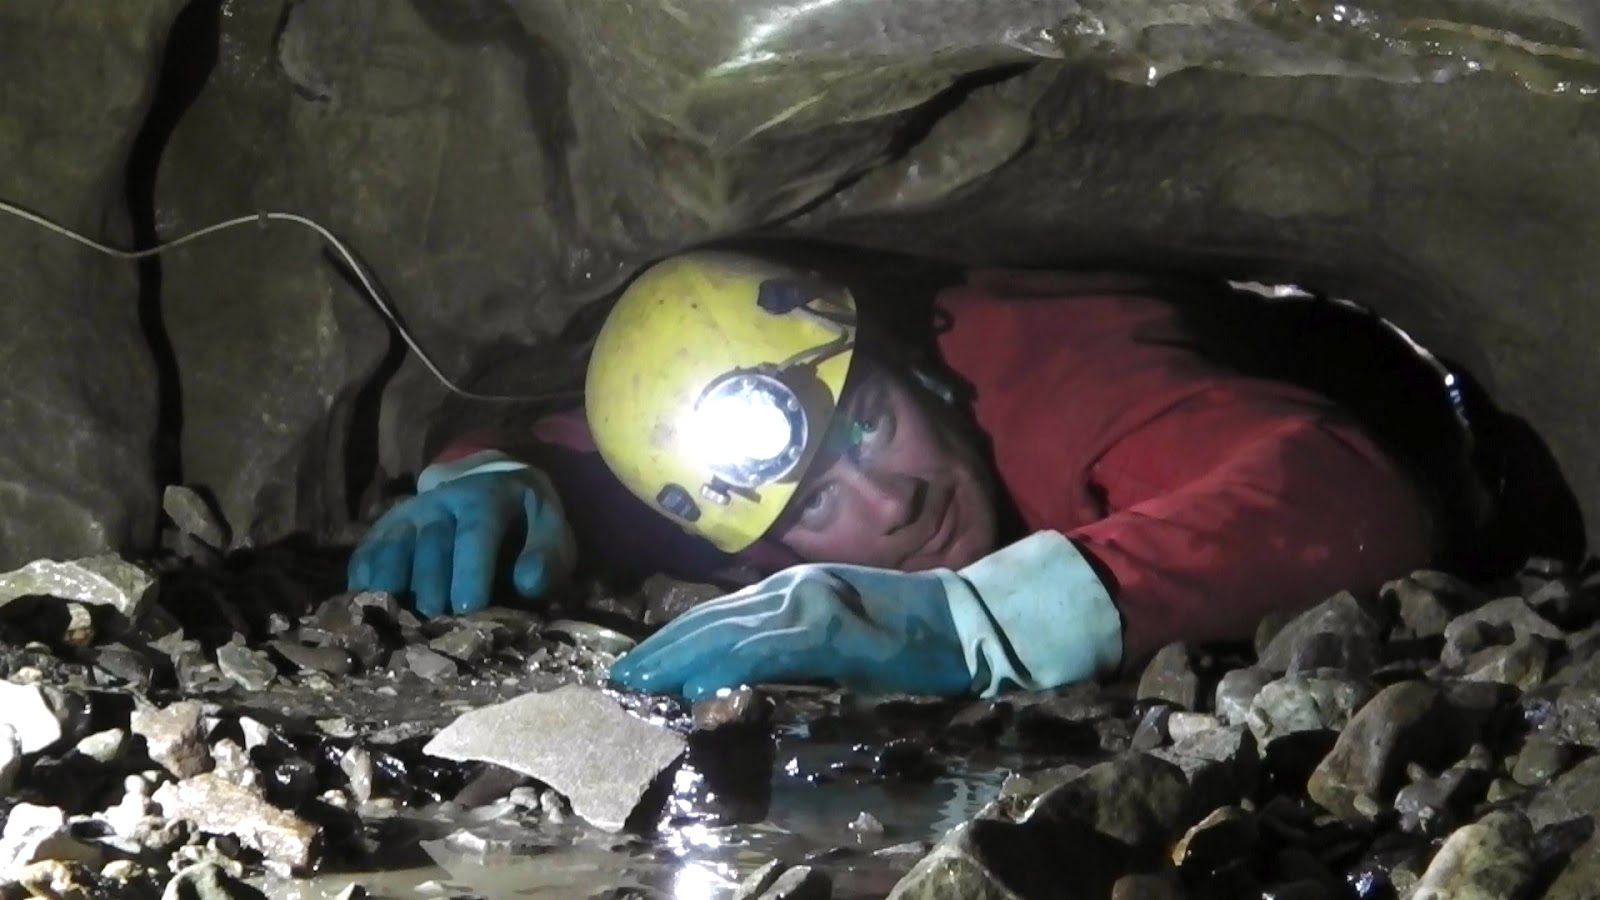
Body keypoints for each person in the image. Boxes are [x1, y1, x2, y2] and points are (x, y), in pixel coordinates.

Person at [347, 250, 1469, 701]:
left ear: (910, 369)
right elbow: (566, 448)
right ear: (760, 549)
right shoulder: (726, 488)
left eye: (869, 425)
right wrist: (487, 473)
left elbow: (1348, 491)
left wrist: (979, 618)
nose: (894, 506)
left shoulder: (1045, 376)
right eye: (815, 502)